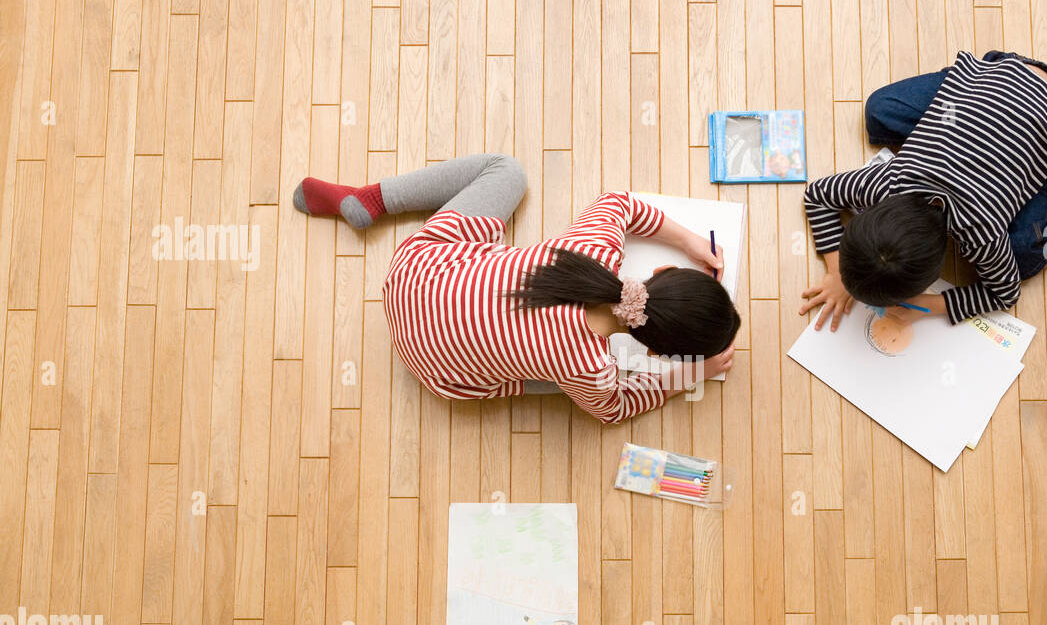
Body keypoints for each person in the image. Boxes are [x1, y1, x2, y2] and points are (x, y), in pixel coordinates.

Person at [293, 154, 740, 423]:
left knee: (505, 170)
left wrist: (689, 240)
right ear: (657, 352)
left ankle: (374, 198)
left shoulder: (591, 250)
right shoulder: (589, 368)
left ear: (660, 271)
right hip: (433, 370)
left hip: (412, 275)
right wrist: (687, 377)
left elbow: (618, 203)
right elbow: (612, 409)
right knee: (572, 387)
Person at [800, 50, 1047, 331]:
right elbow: (816, 194)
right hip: (1005, 71)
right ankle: (973, 112)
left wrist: (931, 306)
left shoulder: (983, 236)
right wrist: (838, 273)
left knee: (1023, 255)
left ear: (939, 264)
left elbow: (1005, 292)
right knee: (880, 111)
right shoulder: (882, 182)